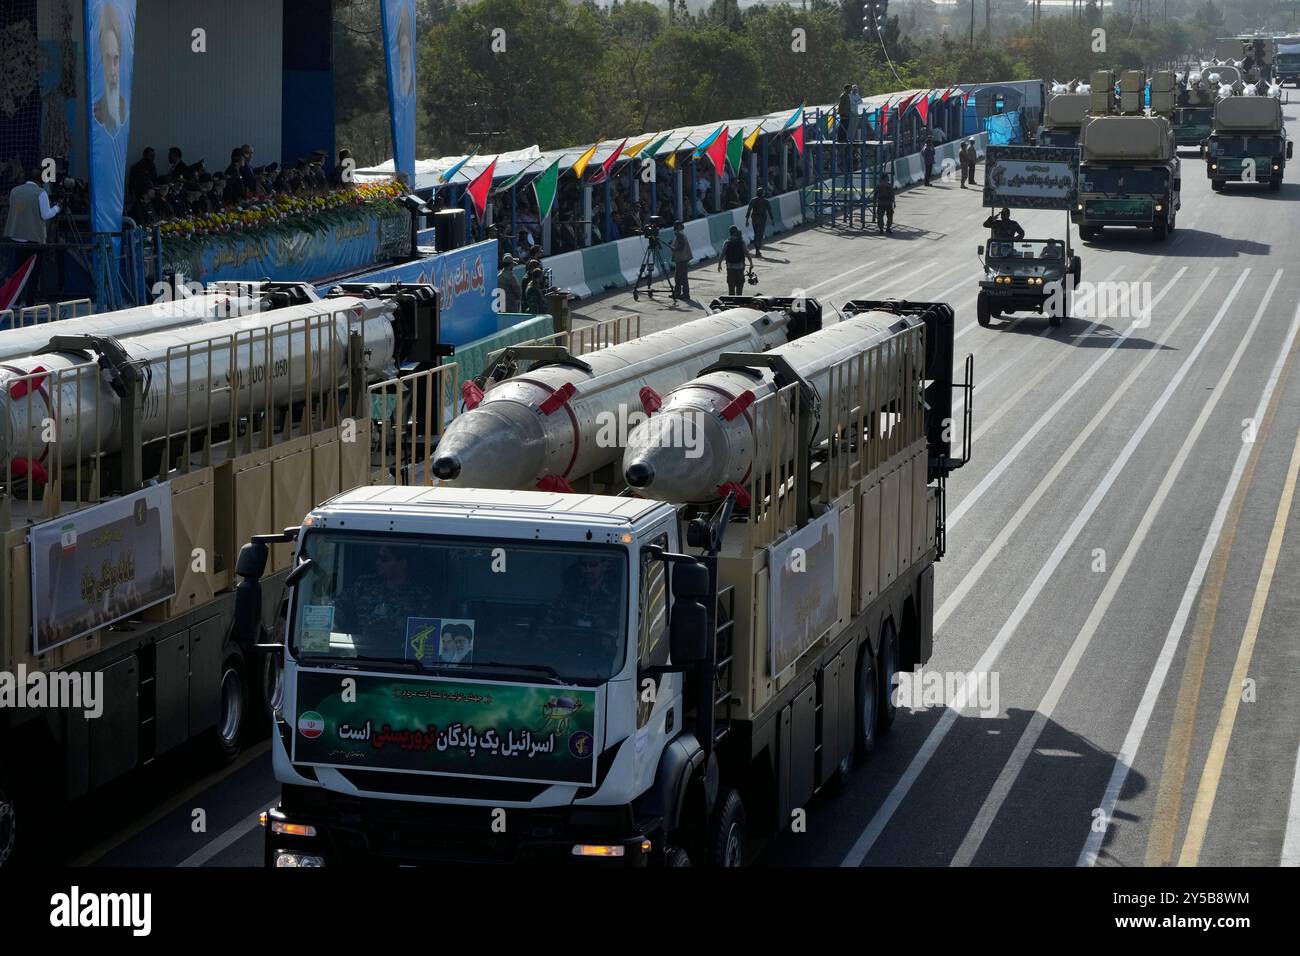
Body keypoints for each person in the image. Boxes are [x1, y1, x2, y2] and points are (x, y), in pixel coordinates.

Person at [332, 546, 433, 658]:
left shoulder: (420, 594)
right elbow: (338, 607)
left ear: (402, 563)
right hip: (360, 655)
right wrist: (332, 628)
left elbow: (424, 631)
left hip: (400, 661)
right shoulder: (364, 585)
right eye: (378, 558)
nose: (378, 563)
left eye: (385, 559)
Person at [3, 171, 61, 307]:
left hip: (16, 237)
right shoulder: (40, 193)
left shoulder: (15, 191)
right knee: (33, 272)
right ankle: (30, 303)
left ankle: (15, 302)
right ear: (40, 181)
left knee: (18, 272)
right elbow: (46, 215)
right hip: (34, 238)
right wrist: (57, 208)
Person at [91, 3, 128, 133]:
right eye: (106, 59)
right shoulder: (94, 110)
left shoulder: (124, 108)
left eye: (116, 59)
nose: (112, 71)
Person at [718, 225, 754, 296]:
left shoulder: (727, 242)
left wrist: (719, 264)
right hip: (740, 268)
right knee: (739, 288)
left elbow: (722, 254)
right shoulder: (741, 242)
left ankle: (732, 304)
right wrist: (751, 263)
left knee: (731, 289)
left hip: (730, 268)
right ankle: (739, 303)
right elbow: (747, 253)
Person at [670, 220, 692, 302]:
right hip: (681, 259)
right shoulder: (680, 234)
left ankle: (685, 294)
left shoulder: (679, 234)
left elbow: (681, 245)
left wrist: (674, 248)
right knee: (678, 277)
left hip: (681, 259)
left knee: (682, 277)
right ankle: (678, 293)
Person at [746, 187, 772, 256]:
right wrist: (772, 219)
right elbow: (770, 211)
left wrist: (747, 220)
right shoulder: (766, 201)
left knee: (756, 233)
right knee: (760, 233)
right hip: (762, 219)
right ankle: (757, 249)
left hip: (755, 218)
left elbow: (749, 210)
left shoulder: (753, 200)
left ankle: (757, 249)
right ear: (763, 193)